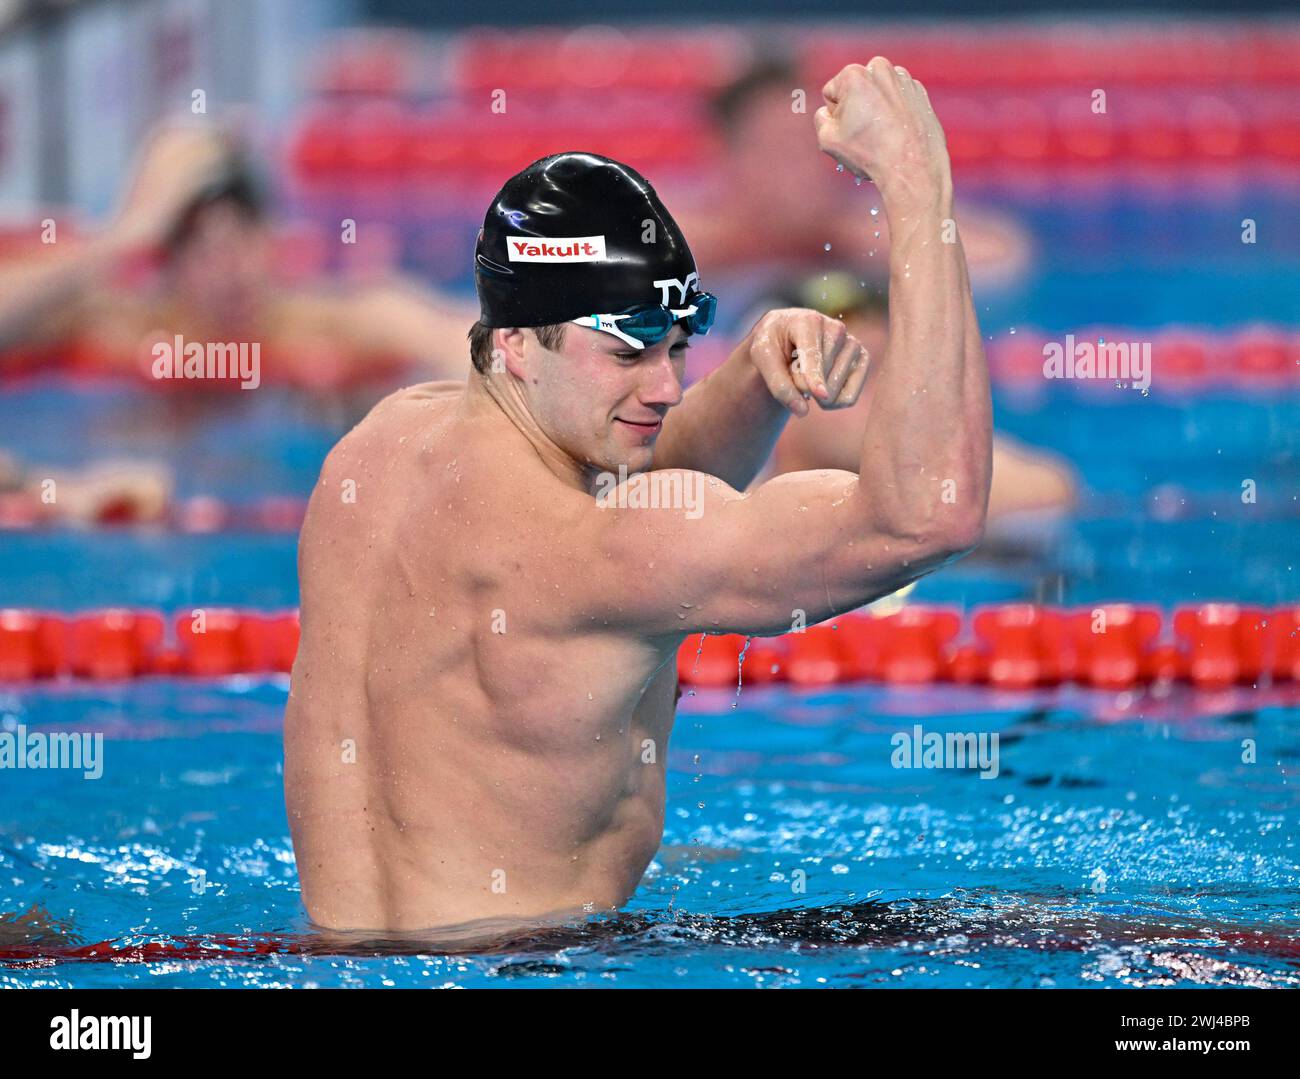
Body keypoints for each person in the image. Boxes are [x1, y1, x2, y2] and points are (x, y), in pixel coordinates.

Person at [285, 58, 992, 936]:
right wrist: (921, 193)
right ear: (515, 343)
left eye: (680, 344)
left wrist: (753, 379)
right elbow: (932, 513)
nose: (664, 386)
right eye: (630, 353)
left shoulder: (373, 455)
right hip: (543, 965)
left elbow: (620, 486)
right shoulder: (605, 550)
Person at [0, 126, 476, 385]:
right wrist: (124, 236)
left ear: (273, 239)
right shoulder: (115, 325)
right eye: (201, 247)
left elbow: (478, 349)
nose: (229, 269)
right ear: (162, 262)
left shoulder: (339, 322)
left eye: (242, 238)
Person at [764, 271, 1077, 520]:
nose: (887, 393)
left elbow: (1050, 487)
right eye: (851, 371)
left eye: (891, 368)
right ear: (778, 392)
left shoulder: (935, 470)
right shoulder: (738, 505)